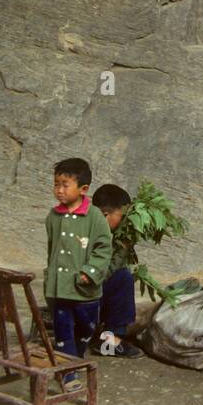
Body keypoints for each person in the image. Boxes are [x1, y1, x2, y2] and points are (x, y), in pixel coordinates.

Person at [45, 158, 113, 386]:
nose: (59, 190)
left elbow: (103, 249)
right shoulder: (53, 216)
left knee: (86, 329)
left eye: (65, 185)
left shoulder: (95, 218)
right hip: (60, 288)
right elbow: (52, 250)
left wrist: (90, 272)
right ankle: (68, 374)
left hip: (85, 290)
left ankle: (76, 354)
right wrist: (51, 278)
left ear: (83, 189)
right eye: (56, 184)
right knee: (63, 333)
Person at [91, 184, 145, 358]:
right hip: (81, 294)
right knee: (123, 278)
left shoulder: (104, 231)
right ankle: (109, 340)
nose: (124, 222)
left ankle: (105, 331)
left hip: (90, 295)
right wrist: (122, 251)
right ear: (105, 215)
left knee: (122, 276)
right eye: (121, 217)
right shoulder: (92, 235)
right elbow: (101, 275)